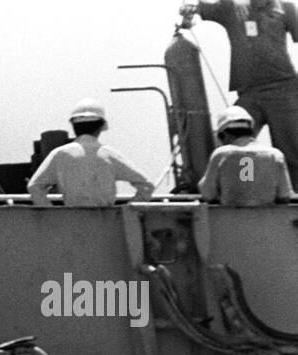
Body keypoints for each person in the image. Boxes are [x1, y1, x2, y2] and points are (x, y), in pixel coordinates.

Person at [181, 1, 298, 184]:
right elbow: (199, 7)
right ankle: (244, 188)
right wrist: (189, 9)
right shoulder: (231, 8)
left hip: (283, 89)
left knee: (291, 152)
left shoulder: (286, 8)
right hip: (249, 93)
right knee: (232, 142)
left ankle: (292, 200)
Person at [27, 99, 156, 206]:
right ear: (101, 126)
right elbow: (146, 186)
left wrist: (54, 216)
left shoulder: (60, 154)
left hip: (72, 223)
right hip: (107, 223)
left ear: (73, 126)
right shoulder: (109, 155)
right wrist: (124, 212)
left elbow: (34, 187)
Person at [200, 104, 295, 202]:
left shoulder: (220, 154)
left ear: (225, 135)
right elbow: (284, 195)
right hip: (267, 216)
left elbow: (208, 194)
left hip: (229, 216)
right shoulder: (275, 155)